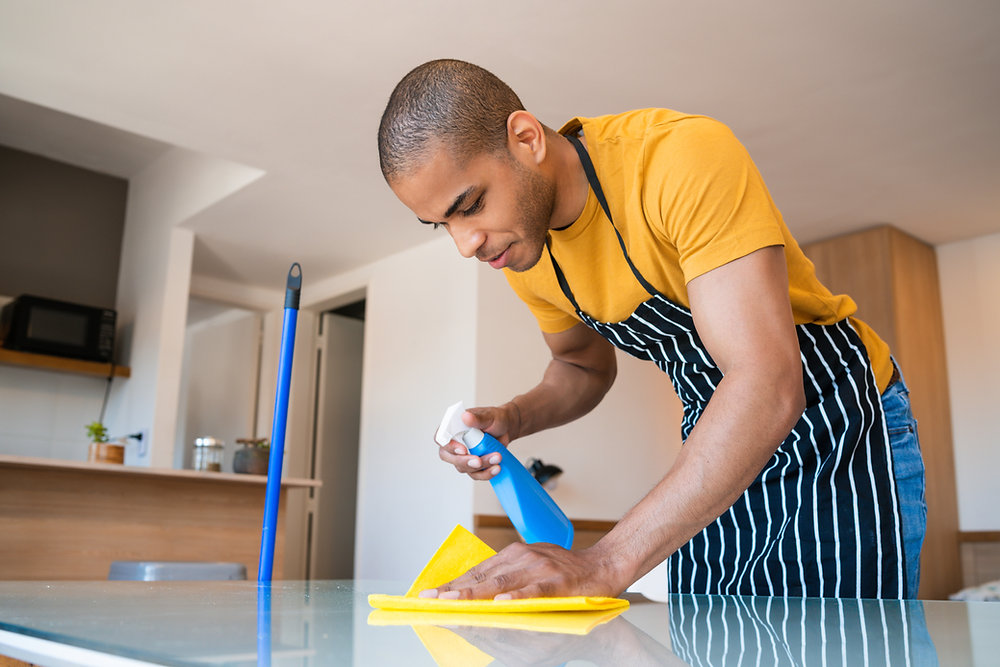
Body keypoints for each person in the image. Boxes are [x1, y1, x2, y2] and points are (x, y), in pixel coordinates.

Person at [377, 59, 927, 600]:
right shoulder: (524, 251)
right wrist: (515, 418)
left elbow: (766, 380)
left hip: (835, 428)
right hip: (714, 450)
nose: (465, 243)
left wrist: (608, 560)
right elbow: (581, 365)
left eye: (470, 205)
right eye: (442, 225)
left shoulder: (677, 157)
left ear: (526, 138)